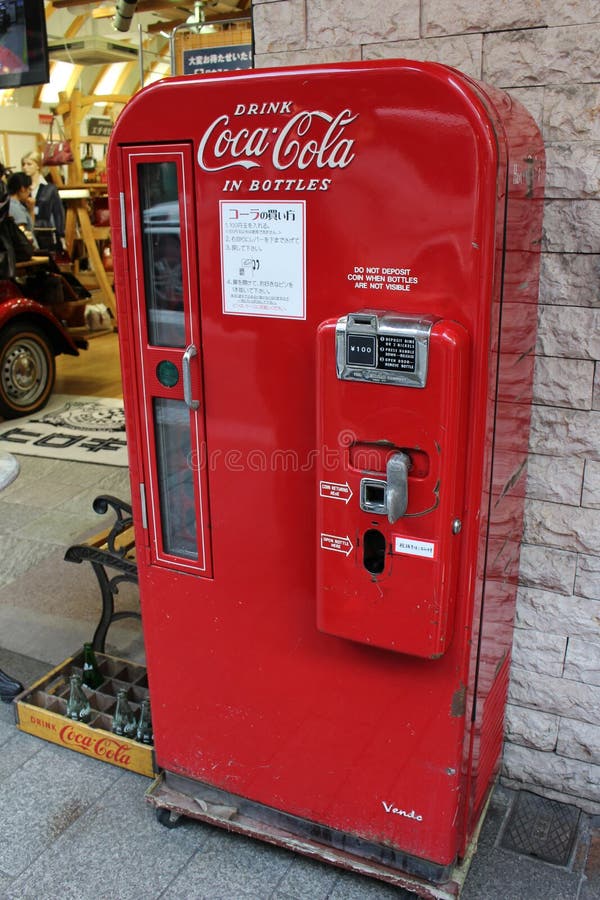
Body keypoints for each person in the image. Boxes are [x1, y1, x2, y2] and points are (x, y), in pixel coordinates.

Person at [21, 150, 65, 249]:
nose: (25, 167)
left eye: (29, 164)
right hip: (26, 232)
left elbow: (58, 213)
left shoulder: (49, 188)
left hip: (45, 232)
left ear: (38, 166)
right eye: (23, 164)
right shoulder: (22, 189)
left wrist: (61, 234)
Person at [6, 171, 37, 246]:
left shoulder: (7, 204)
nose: (29, 193)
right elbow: (25, 234)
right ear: (23, 189)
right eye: (29, 189)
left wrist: (31, 210)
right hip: (27, 252)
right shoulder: (16, 208)